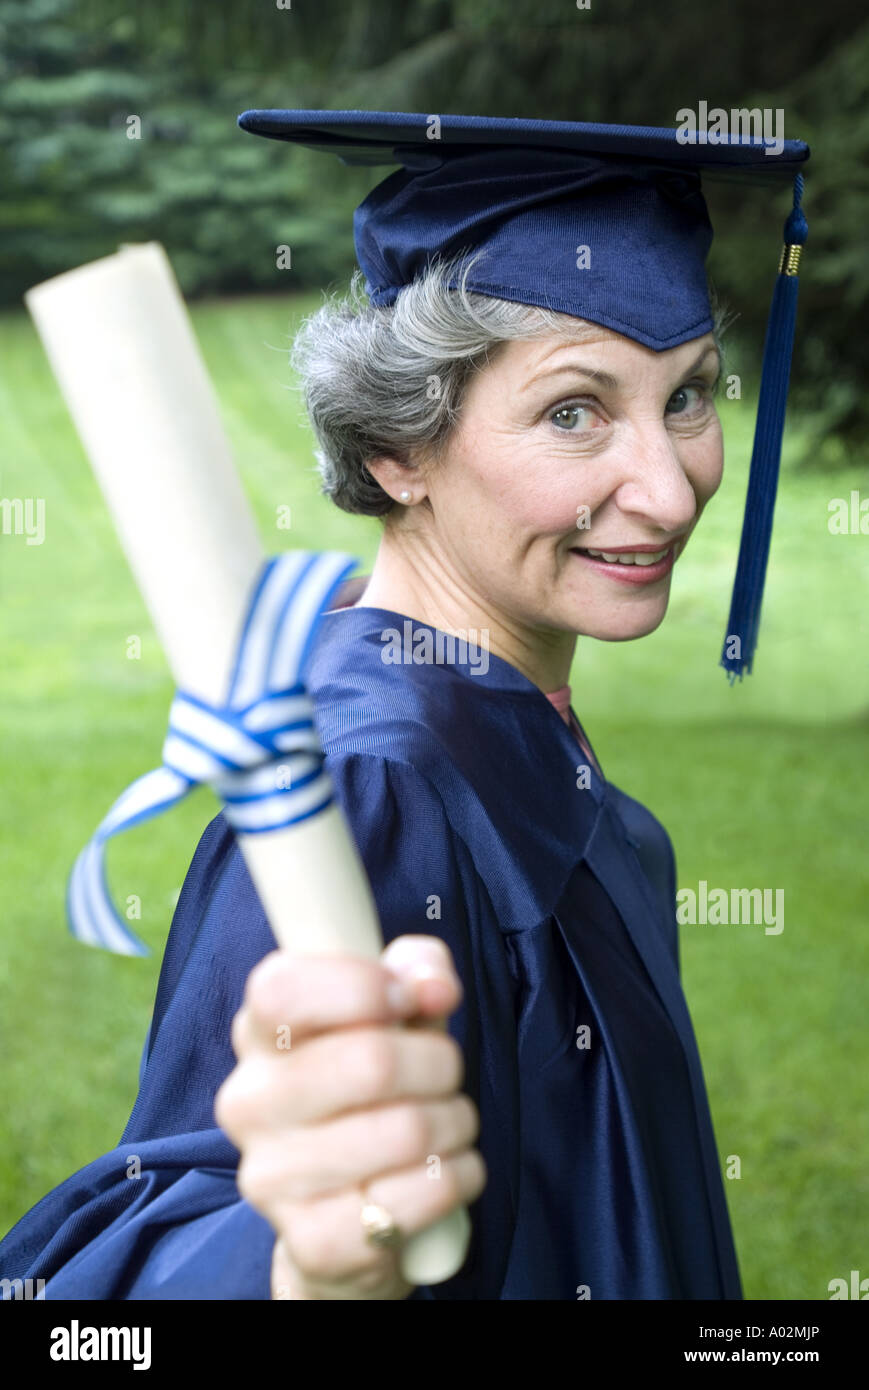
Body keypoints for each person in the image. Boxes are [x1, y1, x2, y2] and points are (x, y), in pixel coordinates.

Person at [0, 110, 810, 1300]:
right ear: (397, 448)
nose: (668, 485)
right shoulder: (371, 785)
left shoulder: (491, 714)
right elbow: (201, 1226)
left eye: (684, 397)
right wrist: (309, 1270)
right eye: (573, 410)